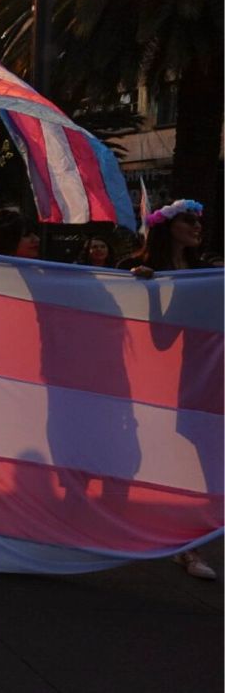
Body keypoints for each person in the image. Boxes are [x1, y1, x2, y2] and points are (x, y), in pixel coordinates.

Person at [121, 199, 218, 580]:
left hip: (209, 379)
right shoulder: (149, 271)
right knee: (181, 468)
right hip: (171, 385)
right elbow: (160, 340)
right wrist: (150, 290)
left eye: (199, 220)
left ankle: (191, 546)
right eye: (188, 221)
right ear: (167, 228)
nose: (197, 227)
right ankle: (182, 545)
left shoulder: (203, 272)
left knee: (206, 469)